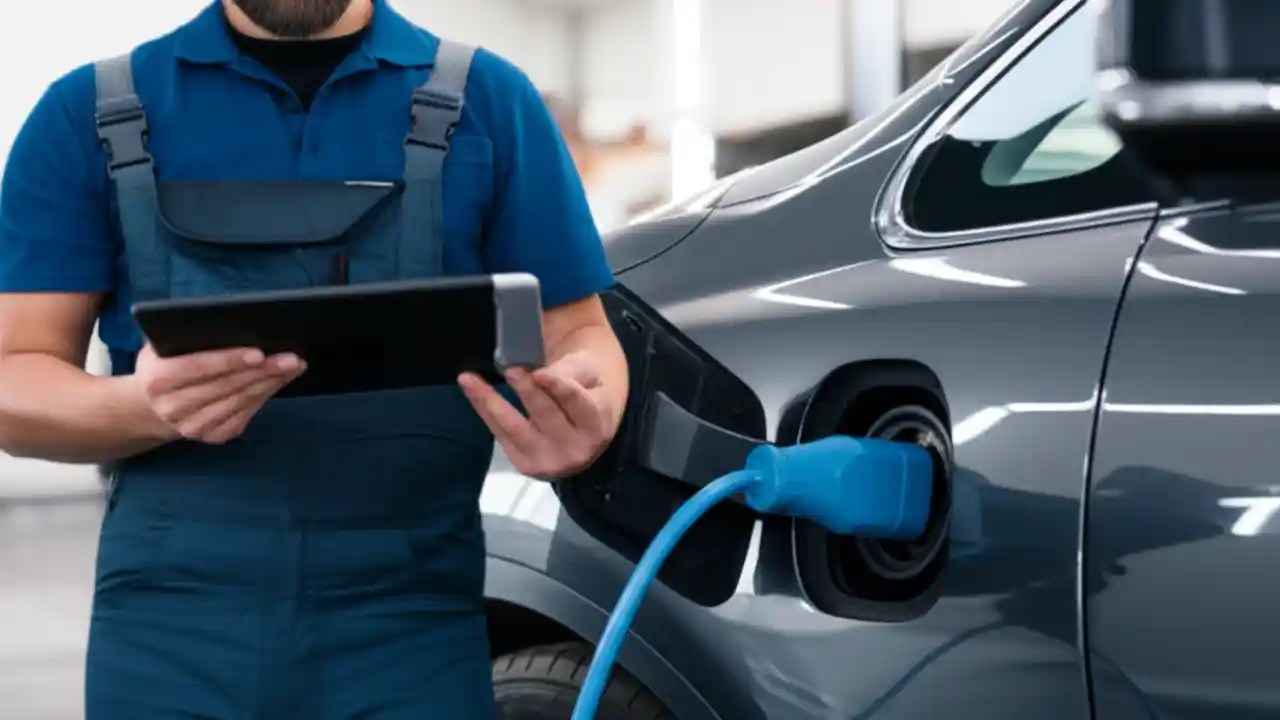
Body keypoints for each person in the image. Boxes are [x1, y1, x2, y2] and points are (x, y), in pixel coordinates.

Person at [0, 0, 628, 717]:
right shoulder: (88, 112)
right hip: (168, 634)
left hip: (413, 629)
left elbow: (582, 335)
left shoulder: (491, 102)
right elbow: (13, 377)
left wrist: (593, 410)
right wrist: (139, 407)